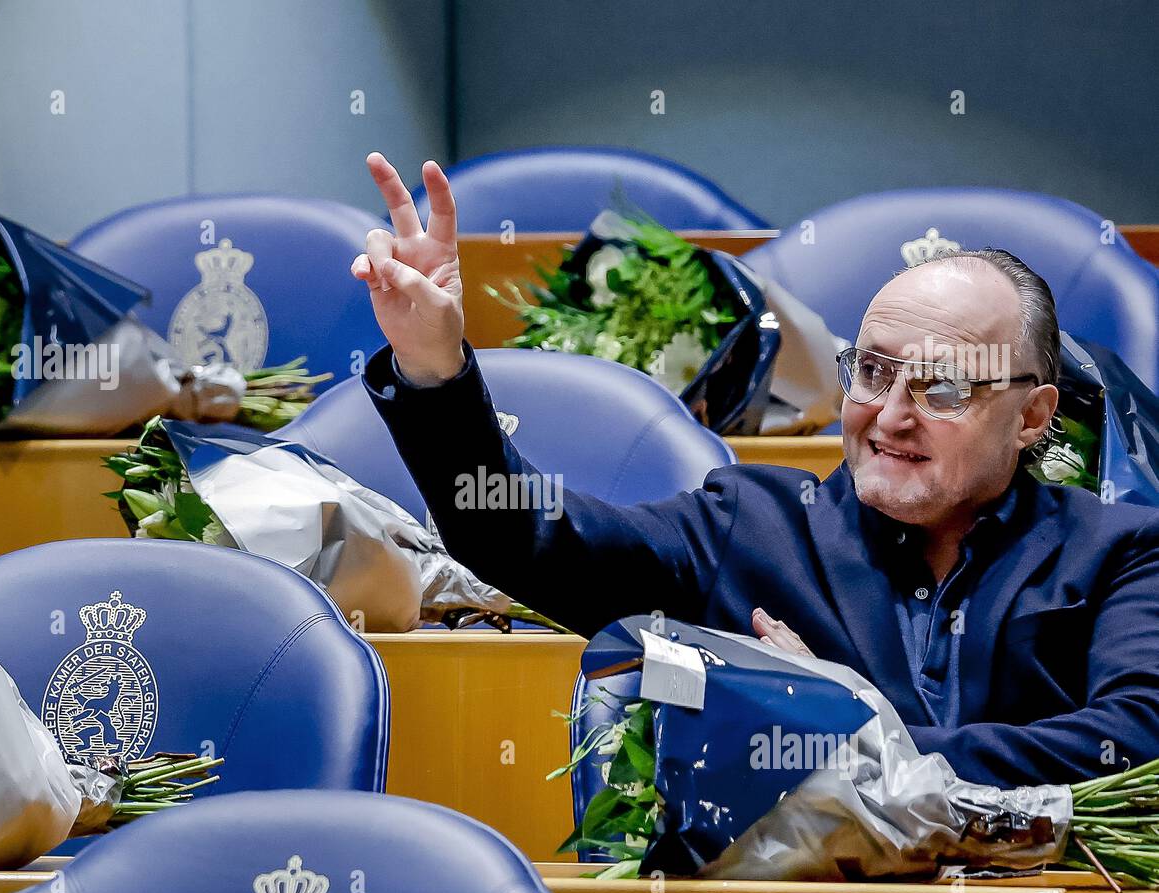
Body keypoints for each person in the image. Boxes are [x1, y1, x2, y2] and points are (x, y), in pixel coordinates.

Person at [350, 151, 1159, 788]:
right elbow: (519, 534)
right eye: (872, 373)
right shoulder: (752, 527)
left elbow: (1135, 746)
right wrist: (434, 368)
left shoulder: (1122, 553)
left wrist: (852, 725)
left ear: (1032, 417)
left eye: (943, 386)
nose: (893, 414)